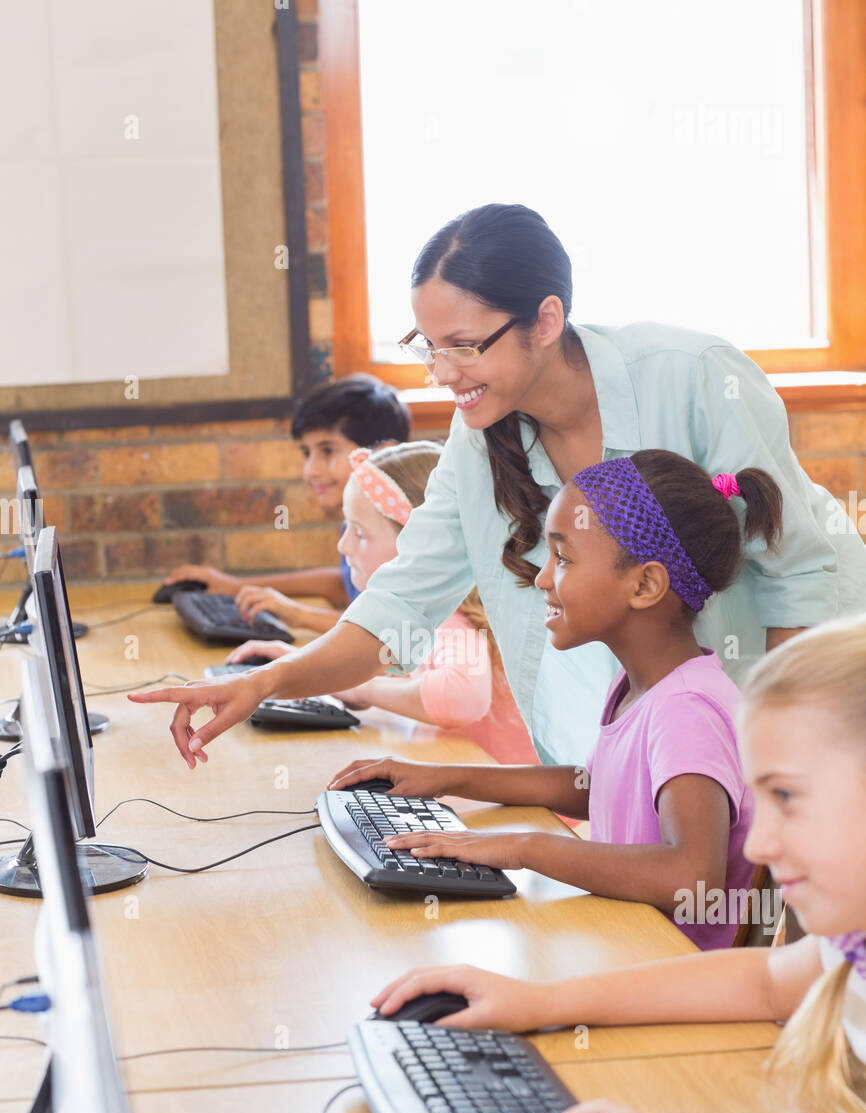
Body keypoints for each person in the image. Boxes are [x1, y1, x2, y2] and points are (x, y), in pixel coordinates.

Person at [129, 204, 866, 767]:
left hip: (803, 700)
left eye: (465, 346)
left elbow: (795, 574)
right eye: (427, 347)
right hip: (655, 741)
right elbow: (401, 603)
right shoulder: (479, 437)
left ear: (546, 320)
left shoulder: (695, 376)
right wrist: (266, 681)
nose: (444, 374)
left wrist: (776, 761)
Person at [369, 616, 866, 1113]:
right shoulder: (849, 948)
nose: (761, 841)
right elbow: (766, 980)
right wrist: (541, 1002)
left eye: (789, 797)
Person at [328, 450, 783, 947]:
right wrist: (445, 779)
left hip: (672, 976)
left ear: (646, 584)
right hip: (629, 945)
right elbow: (599, 787)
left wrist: (521, 848)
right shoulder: (642, 686)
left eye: (563, 557)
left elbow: (689, 879)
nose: (543, 578)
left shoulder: (686, 709)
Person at [233, 441, 537, 764]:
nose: (343, 545)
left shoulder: (451, 617)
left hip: (521, 814)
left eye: (360, 534)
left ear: (420, 546)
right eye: (346, 527)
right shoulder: (425, 614)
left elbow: (462, 697)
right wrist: (310, 668)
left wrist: (360, 688)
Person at [162, 374, 410, 634]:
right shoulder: (359, 519)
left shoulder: (399, 530)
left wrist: (295, 614)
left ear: (382, 452)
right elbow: (345, 583)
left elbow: (387, 628)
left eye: (327, 451)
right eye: (306, 453)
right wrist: (235, 586)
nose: (310, 471)